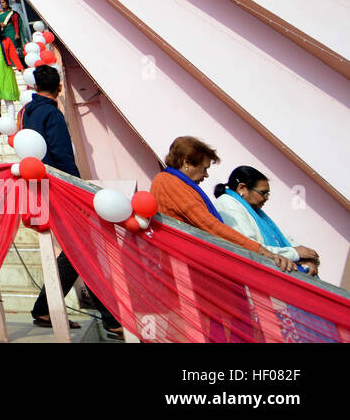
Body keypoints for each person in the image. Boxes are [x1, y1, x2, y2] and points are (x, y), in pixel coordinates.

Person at [22, 66, 121, 336]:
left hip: (42, 188)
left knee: (76, 251)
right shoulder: (51, 113)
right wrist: (77, 189)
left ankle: (45, 309)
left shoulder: (27, 113)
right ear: (60, 88)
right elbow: (63, 155)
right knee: (82, 250)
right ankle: (110, 319)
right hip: (61, 190)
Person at [150, 137, 296, 272]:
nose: (206, 175)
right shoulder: (169, 182)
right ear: (187, 163)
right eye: (204, 168)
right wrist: (262, 252)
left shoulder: (174, 182)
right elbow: (210, 226)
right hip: (184, 266)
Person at [215, 166, 320, 275]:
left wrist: (309, 259)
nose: (267, 198)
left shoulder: (257, 213)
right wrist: (295, 254)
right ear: (242, 188)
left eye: (268, 194)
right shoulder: (227, 203)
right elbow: (249, 246)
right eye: (263, 192)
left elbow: (289, 242)